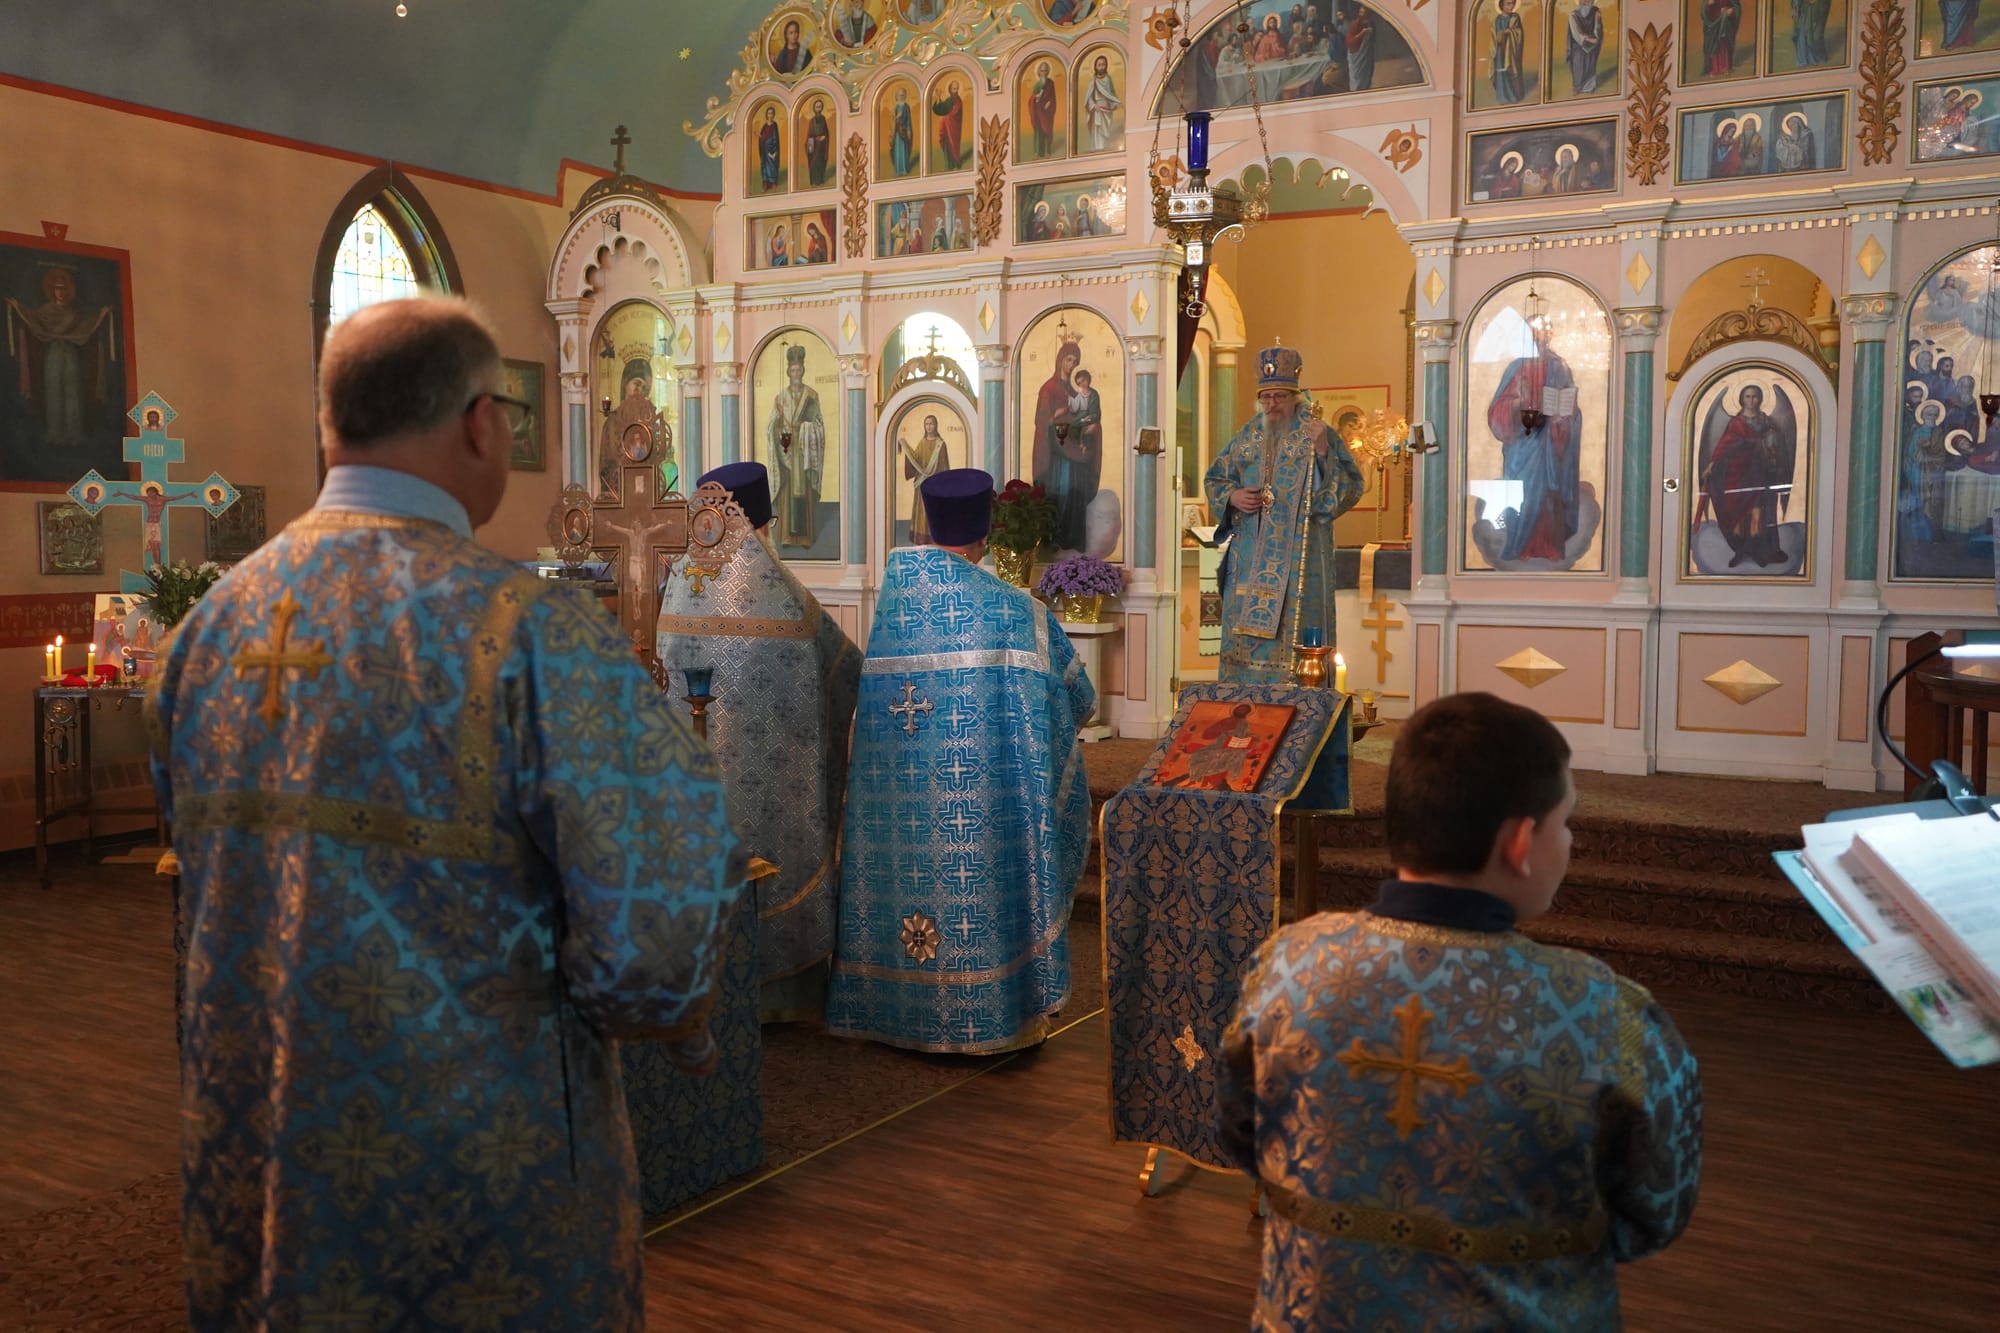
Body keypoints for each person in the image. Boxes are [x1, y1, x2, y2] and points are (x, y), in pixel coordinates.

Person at [146, 296, 741, 1333]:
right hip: (477, 1167)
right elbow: (652, 930)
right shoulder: (526, 632)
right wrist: (685, 1031)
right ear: (480, 422)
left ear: (333, 422)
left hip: (262, 1150)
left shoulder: (210, 626)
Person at [1219, 691, 1703, 1331]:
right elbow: (1655, 1209)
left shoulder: (1287, 964)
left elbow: (1240, 1134)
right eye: (1566, 822)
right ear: (1521, 843)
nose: (1572, 840)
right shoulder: (1603, 1012)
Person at [826, 469, 1094, 1053]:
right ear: (985, 529)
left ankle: (891, 1008)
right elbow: (1081, 699)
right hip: (977, 811)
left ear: (929, 523)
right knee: (977, 887)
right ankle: (988, 1013)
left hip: (900, 805)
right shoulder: (1014, 612)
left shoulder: (892, 611)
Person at [657, 462, 862, 1021]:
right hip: (771, 782)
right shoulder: (776, 587)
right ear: (765, 517)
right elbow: (844, 667)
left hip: (689, 768)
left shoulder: (678, 577)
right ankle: (779, 1002)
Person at [1203, 344, 1365, 682]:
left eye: (1279, 396)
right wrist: (1232, 496)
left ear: (1295, 396)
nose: (1272, 404)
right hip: (1249, 555)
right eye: (1266, 397)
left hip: (1298, 558)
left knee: (1296, 636)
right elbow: (1216, 477)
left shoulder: (1317, 432)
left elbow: (1349, 486)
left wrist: (1322, 453)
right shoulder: (1247, 436)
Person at [1486, 314, 1584, 565]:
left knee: (1549, 496)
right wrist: (1519, 404)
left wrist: (1565, 417)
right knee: (1525, 494)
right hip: (1524, 445)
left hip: (1550, 443)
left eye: (1544, 331)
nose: (1540, 336)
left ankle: (1549, 546)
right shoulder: (1516, 368)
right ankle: (1520, 544)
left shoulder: (1559, 367)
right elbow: (1498, 409)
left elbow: (1570, 406)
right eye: (1534, 331)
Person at [4, 264, 117, 454]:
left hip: (70, 353)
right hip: (54, 354)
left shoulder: (74, 312)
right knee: (54, 390)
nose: (61, 292)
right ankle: (55, 433)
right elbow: (32, 319)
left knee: (72, 391)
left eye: (64, 288)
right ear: (51, 290)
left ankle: (74, 433)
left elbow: (86, 326)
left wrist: (102, 314)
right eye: (57, 288)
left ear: (68, 291)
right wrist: (17, 307)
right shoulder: (45, 310)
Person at [1698, 382, 1795, 568]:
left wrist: (1771, 445)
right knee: (1738, 513)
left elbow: (1777, 445)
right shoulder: (1735, 423)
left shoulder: (1767, 421)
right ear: (1742, 399)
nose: (1751, 400)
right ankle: (1741, 550)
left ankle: (1759, 551)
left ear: (1760, 399)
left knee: (1759, 513)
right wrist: (1711, 465)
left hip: (1761, 472)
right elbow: (1723, 445)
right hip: (1737, 474)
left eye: (1755, 396)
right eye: (1748, 396)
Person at [1031, 339, 1102, 552]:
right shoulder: (1049, 389)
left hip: (1073, 455)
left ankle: (1072, 539)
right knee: (1058, 492)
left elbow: (1083, 416)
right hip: (1056, 455)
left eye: (1075, 361)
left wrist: (1091, 428)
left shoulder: (1073, 391)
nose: (1071, 365)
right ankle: (1055, 539)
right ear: (1060, 359)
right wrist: (1056, 416)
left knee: (1073, 493)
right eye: (1069, 359)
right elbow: (1041, 420)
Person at [767, 343, 826, 548]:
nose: (795, 372)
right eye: (792, 369)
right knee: (787, 491)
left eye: (798, 369)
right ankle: (786, 537)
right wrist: (777, 430)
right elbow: (772, 423)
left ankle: (804, 538)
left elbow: (819, 424)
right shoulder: (780, 397)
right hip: (786, 449)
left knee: (804, 492)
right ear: (788, 371)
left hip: (804, 451)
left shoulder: (812, 395)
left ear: (803, 369)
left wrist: (808, 430)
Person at [599, 358, 661, 498]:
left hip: (644, 493)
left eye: (645, 388)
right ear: (625, 383)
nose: (639, 390)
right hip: (617, 491)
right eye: (636, 384)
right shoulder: (613, 421)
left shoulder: (649, 422)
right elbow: (606, 463)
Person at [899, 412, 951, 542]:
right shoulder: (922, 442)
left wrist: (943, 484)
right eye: (927, 424)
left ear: (936, 426)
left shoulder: (941, 444)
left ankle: (935, 537)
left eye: (931, 424)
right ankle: (921, 537)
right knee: (922, 510)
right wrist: (904, 445)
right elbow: (915, 459)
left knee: (933, 510)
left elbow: (944, 465)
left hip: (935, 485)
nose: (929, 426)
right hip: (922, 484)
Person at [1082, 53, 1122, 153]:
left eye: (1103, 64)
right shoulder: (1093, 81)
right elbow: (1089, 97)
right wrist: (1094, 105)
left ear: (1106, 65)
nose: (1101, 67)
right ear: (1095, 67)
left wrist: (1114, 103)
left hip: (1106, 107)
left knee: (1105, 128)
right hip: (1097, 108)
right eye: (1099, 65)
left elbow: (1111, 93)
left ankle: (1104, 146)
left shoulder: (1108, 79)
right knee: (1097, 128)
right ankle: (1097, 147)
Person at [1490, 0, 1527, 105]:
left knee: (1509, 70)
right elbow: (1493, 36)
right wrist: (1496, 40)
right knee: (1500, 72)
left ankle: (1512, 95)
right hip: (1499, 50)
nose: (1511, 6)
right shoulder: (1496, 20)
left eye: (1513, 3)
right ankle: (1502, 96)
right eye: (1509, 3)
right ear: (1502, 5)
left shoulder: (1515, 18)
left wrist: (1507, 32)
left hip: (1510, 51)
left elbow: (1519, 33)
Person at [1566, 0, 1603, 94]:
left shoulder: (1595, 12)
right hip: (1578, 47)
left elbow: (1598, 30)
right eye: (1584, 1)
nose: (1587, 2)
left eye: (1589, 1)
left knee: (1590, 66)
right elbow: (1576, 34)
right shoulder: (1573, 15)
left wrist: (1598, 20)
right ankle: (1578, 88)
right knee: (1579, 68)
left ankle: (1589, 88)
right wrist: (1589, 40)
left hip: (1592, 46)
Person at [932, 78, 966, 170]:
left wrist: (945, 117)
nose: (955, 91)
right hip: (946, 127)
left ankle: (955, 163)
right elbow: (941, 109)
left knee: (953, 145)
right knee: (947, 145)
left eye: (957, 89)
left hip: (953, 128)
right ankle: (948, 166)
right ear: (949, 89)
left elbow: (955, 112)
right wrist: (938, 97)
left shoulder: (958, 100)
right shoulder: (949, 99)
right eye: (953, 89)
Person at [1701, 0, 1741, 76]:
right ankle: (1713, 69)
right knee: (1713, 46)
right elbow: (1703, 11)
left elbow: (1736, 7)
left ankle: (1725, 67)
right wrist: (1708, 4)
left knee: (1724, 45)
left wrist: (1732, 10)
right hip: (1713, 25)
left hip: (1725, 23)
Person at [1028, 60, 1059, 158]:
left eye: (1045, 71)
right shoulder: (1037, 85)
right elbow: (1032, 98)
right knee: (1038, 132)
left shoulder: (1050, 83)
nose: (1043, 73)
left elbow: (1053, 97)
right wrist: (1035, 97)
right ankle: (1038, 152)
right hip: (1038, 111)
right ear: (1039, 72)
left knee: (1047, 130)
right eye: (1042, 71)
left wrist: (1050, 102)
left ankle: (1047, 151)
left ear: (1048, 72)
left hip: (1047, 112)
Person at [890, 86, 917, 177]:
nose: (901, 97)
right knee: (897, 150)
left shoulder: (906, 107)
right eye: (899, 95)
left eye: (903, 95)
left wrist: (909, 130)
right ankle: (898, 170)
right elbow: (892, 120)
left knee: (904, 150)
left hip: (904, 131)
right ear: (896, 96)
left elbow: (908, 119)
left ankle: (904, 169)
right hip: (896, 132)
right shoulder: (895, 107)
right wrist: (897, 117)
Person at [805, 97, 832, 187]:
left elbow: (826, 132)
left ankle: (820, 180)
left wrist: (824, 137)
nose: (818, 109)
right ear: (814, 108)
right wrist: (815, 139)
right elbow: (809, 135)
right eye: (817, 107)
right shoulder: (811, 121)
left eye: (820, 107)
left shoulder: (823, 119)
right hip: (814, 145)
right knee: (813, 163)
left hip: (822, 146)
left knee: (820, 163)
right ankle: (813, 181)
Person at [758, 104, 783, 191]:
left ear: (774, 115)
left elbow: (776, 139)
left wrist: (775, 152)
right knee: (764, 167)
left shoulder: (774, 125)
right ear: (766, 115)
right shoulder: (764, 126)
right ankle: (765, 183)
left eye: (772, 113)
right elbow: (762, 138)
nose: (770, 115)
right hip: (765, 151)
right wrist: (760, 137)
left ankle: (773, 183)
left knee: (772, 167)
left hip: (772, 150)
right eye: (769, 113)